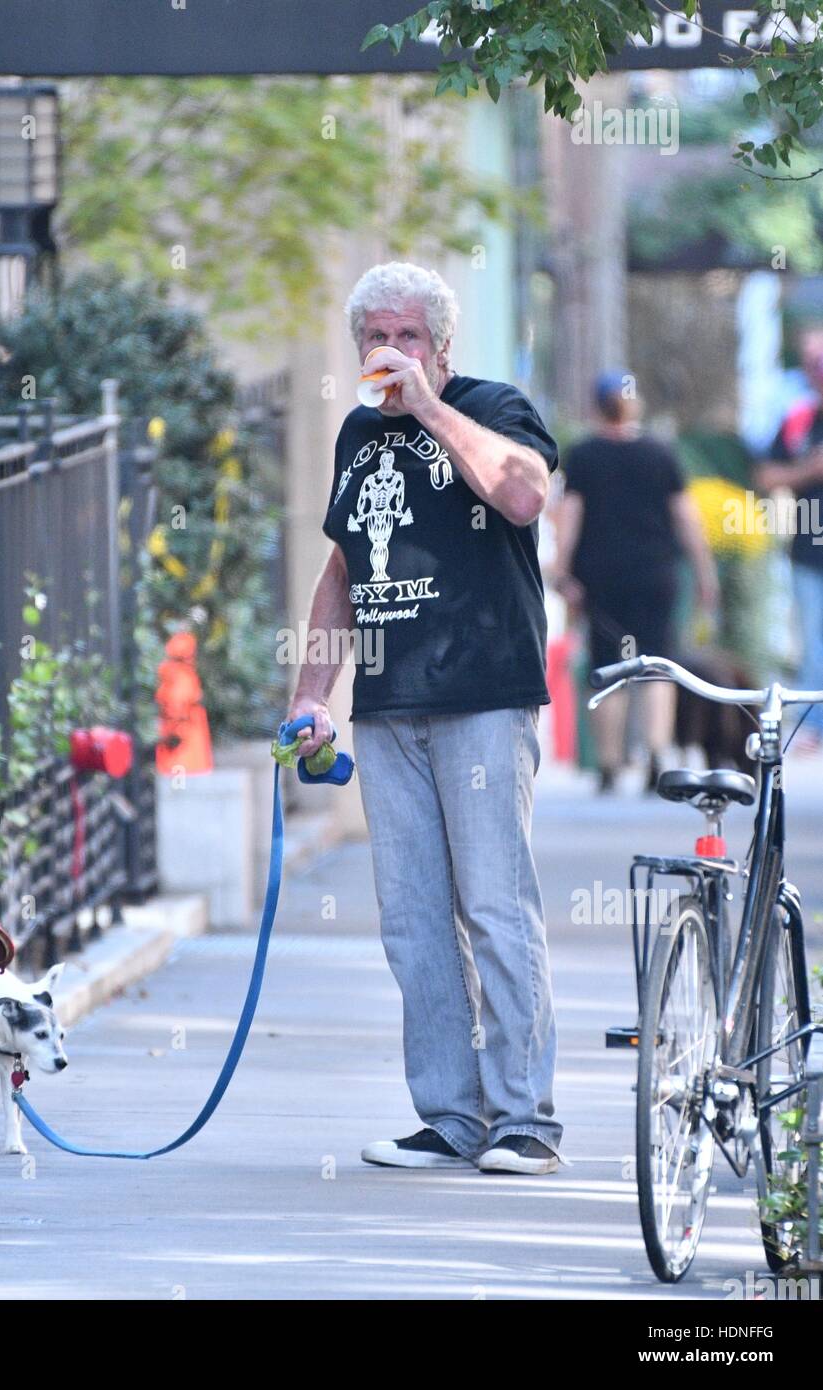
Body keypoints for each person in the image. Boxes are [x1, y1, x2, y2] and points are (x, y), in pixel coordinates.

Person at [286, 261, 563, 1175]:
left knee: (492, 905)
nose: (390, 352)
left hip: (483, 693)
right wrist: (308, 699)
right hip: (388, 701)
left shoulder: (494, 406)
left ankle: (525, 1120)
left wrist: (431, 410)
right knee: (411, 919)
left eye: (408, 337)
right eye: (375, 336)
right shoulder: (357, 433)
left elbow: (522, 494)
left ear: (442, 349)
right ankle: (451, 1116)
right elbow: (340, 576)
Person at [554, 373, 718, 793]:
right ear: (634, 405)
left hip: (602, 578)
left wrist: (564, 569)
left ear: (596, 406)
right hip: (656, 575)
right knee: (658, 664)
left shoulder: (584, 455)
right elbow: (686, 518)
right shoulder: (660, 453)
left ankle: (609, 765)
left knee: (608, 664)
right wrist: (704, 572)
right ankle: (657, 755)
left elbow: (570, 518)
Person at [755, 327, 823, 752]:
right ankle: (814, 724)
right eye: (810, 362)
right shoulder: (799, 419)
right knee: (813, 638)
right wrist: (808, 472)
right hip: (808, 548)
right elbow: (765, 476)